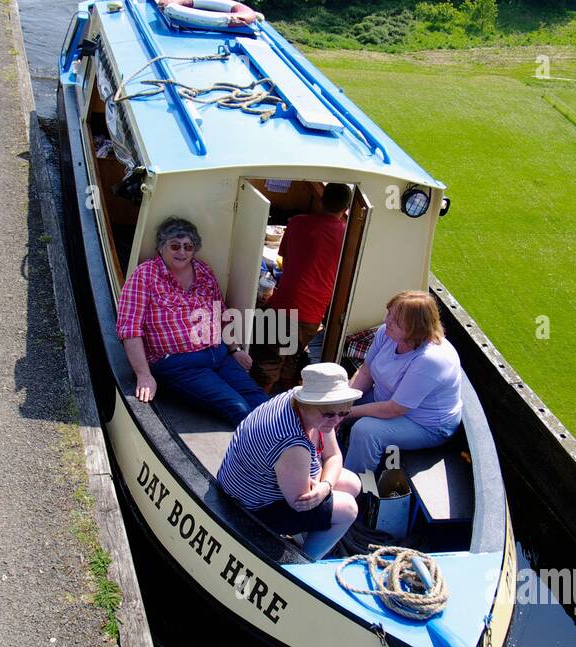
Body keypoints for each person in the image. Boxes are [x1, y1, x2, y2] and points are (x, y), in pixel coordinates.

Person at [116, 217, 268, 425]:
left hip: (218, 355)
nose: (182, 252)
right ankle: (264, 455)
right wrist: (144, 375)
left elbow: (221, 314)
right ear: (161, 247)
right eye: (175, 246)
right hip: (179, 365)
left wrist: (234, 349)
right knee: (238, 407)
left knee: (262, 402)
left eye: (188, 247)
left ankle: (291, 450)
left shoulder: (204, 271)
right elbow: (130, 329)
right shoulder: (144, 275)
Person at [218, 363, 362, 561]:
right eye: (329, 413)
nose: (336, 420)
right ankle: (304, 561)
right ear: (309, 404)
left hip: (266, 485)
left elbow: (333, 456)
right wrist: (321, 489)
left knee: (352, 483)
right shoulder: (293, 445)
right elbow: (300, 501)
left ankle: (308, 535)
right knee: (347, 509)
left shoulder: (301, 403)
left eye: (343, 413)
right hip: (248, 508)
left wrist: (325, 486)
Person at [342, 292, 463, 475]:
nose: (386, 321)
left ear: (416, 328)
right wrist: (341, 405)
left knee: (365, 431)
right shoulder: (387, 333)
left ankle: (355, 487)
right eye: (389, 313)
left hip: (424, 424)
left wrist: (345, 413)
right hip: (385, 399)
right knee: (331, 403)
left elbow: (395, 409)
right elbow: (366, 371)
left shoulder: (430, 360)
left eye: (396, 320)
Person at [251, 183, 352, 394]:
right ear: (347, 207)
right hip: (312, 314)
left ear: (322, 199)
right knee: (291, 361)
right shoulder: (347, 236)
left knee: (268, 363)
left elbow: (284, 262)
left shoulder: (297, 223)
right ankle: (285, 405)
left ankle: (257, 411)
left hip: (283, 304)